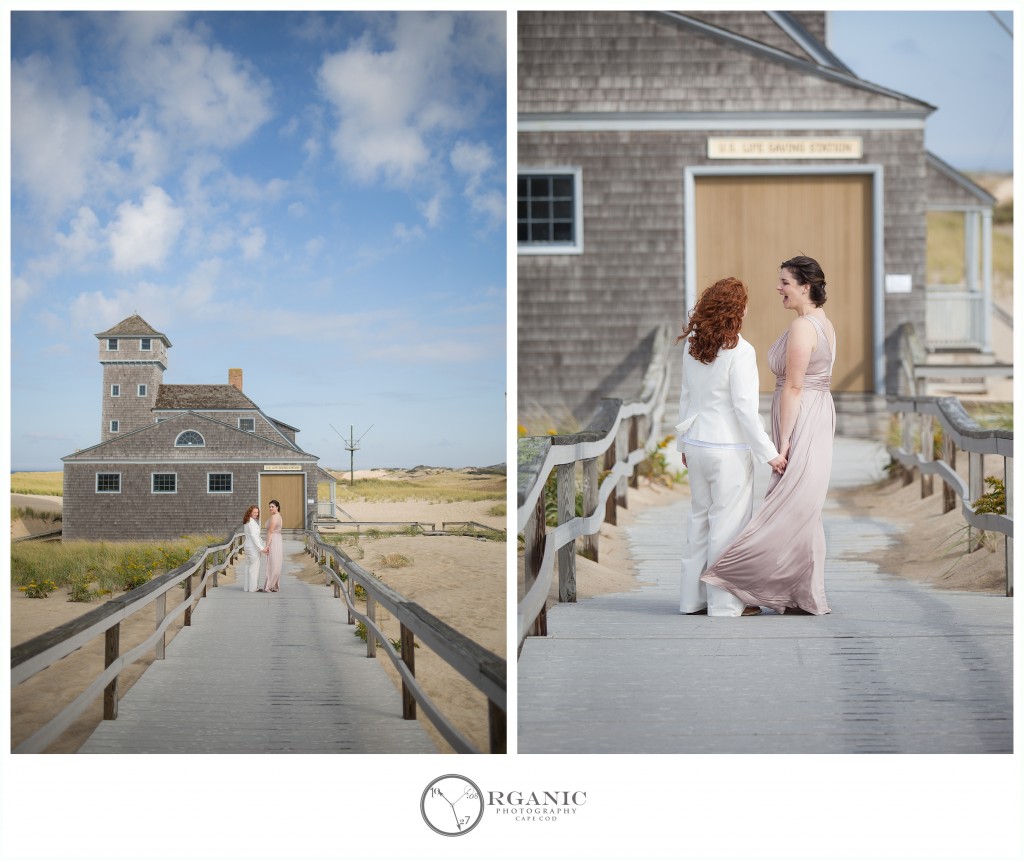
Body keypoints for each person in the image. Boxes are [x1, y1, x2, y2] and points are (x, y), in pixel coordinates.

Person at [701, 255, 836, 615]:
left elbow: (794, 386)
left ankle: (738, 577)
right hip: (817, 412)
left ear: (805, 286)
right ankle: (803, 594)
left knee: (789, 504)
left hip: (802, 417)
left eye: (785, 282)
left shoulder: (803, 327)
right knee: (803, 507)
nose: (779, 288)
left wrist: (785, 440)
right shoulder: (822, 322)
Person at [676, 276, 787, 617]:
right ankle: (724, 604)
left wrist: (682, 443)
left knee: (699, 522)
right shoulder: (741, 350)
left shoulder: (692, 344)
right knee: (728, 526)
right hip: (728, 449)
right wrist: (770, 454)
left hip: (696, 443)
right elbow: (745, 410)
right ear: (737, 310)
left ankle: (692, 600)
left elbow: (685, 396)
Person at [241, 505, 267, 592]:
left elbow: (254, 536)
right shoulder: (251, 522)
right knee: (254, 568)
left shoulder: (247, 521)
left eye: (257, 512)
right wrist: (261, 548)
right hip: (253, 548)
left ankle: (247, 587)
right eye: (254, 512)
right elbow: (254, 536)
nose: (256, 514)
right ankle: (253, 588)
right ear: (250, 512)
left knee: (248, 567)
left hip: (248, 546)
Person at [259, 499, 284, 592]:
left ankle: (269, 585)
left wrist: (267, 545)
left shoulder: (274, 517)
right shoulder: (278, 516)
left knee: (272, 562)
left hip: (273, 540)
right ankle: (273, 585)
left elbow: (270, 532)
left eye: (272, 506)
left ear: (277, 507)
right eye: (269, 507)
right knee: (276, 562)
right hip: (278, 539)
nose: (270, 508)